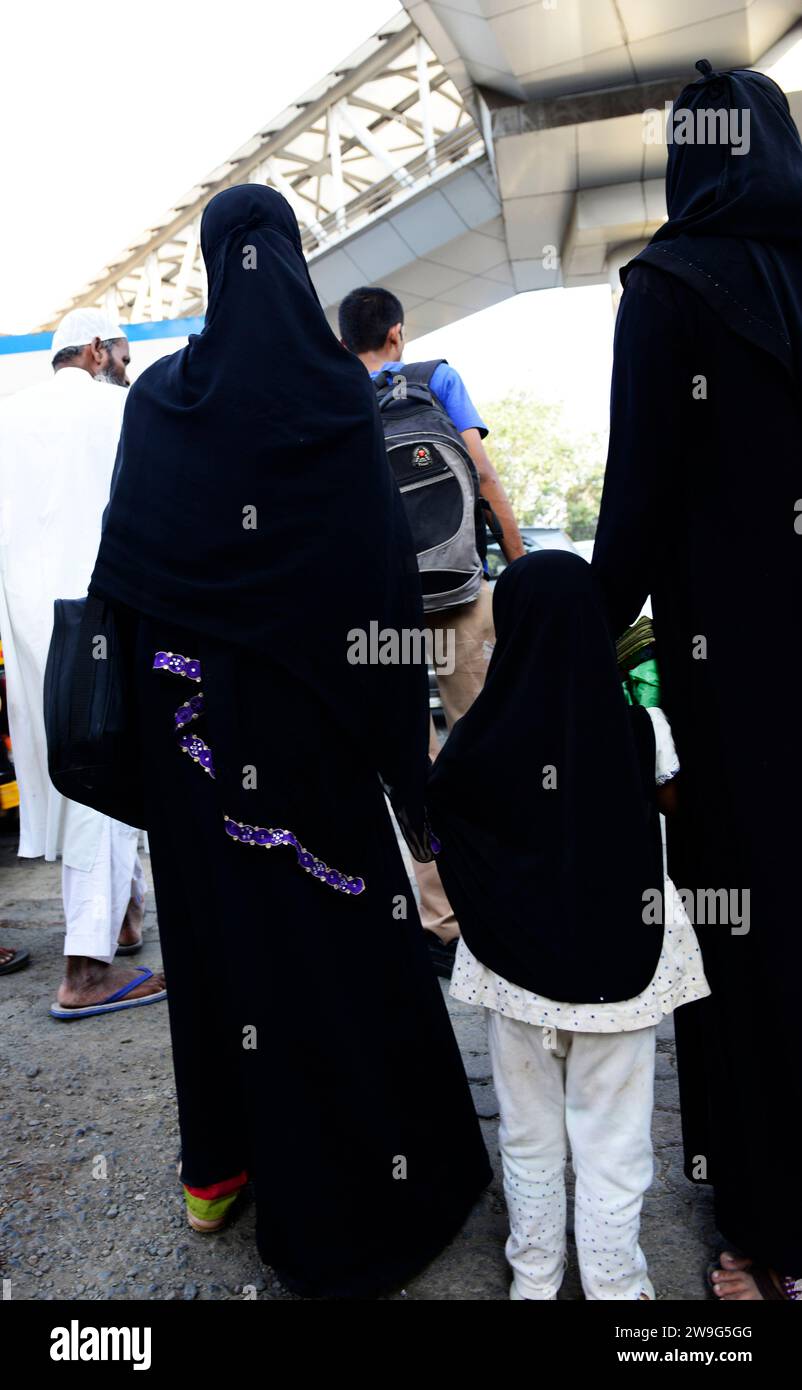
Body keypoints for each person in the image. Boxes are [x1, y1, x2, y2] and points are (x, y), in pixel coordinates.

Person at [87, 184, 492, 1297]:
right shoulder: (336, 401)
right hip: (314, 737)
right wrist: (402, 767)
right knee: (339, 942)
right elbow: (380, 590)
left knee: (224, 950)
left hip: (192, 738)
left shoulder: (159, 399)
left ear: (215, 267)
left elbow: (123, 575)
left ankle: (222, 1174)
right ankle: (377, 1185)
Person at [592, 63, 802, 1301]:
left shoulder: (670, 288)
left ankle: (773, 1231)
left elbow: (634, 509)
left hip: (739, 677)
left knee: (752, 923)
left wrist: (570, 638)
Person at [427, 552, 709, 1300]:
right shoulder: (642, 729)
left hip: (514, 976)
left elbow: (439, 820)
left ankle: (534, 1278)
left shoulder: (477, 740)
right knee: (614, 1143)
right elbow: (676, 808)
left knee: (527, 1136)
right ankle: (615, 1285)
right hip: (622, 971)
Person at [338, 286, 526, 977]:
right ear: (395, 333)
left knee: (412, 766)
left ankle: (442, 925)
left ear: (344, 342)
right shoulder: (436, 379)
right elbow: (482, 475)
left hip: (381, 610)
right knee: (485, 743)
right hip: (460, 593)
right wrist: (519, 568)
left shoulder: (333, 397)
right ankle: (502, 899)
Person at [0, 307, 165, 1017]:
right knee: (102, 769)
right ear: (97, 349)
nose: (126, 368)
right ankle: (85, 971)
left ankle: (122, 919)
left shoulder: (9, 417)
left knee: (70, 768)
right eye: (122, 355)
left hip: (28, 624)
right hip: (101, 615)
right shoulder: (120, 410)